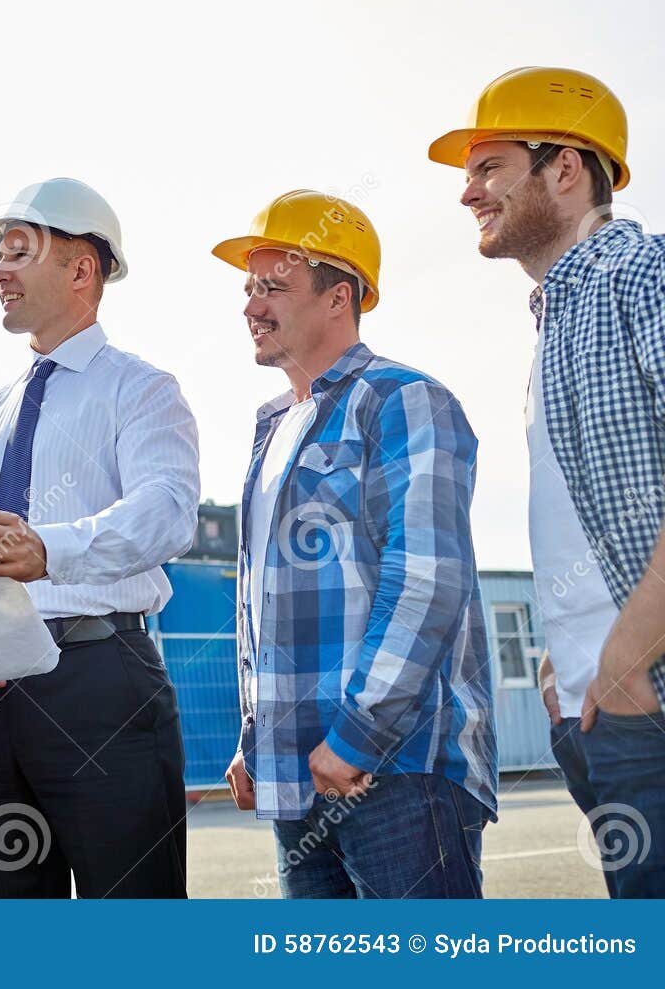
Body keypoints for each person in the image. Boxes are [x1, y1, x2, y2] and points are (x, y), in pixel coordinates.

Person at [211, 190, 497, 898]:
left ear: (340, 296)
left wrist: (358, 736)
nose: (251, 304)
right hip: (299, 778)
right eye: (249, 287)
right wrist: (257, 739)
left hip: (397, 774)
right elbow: (264, 605)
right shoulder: (272, 426)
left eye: (273, 285)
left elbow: (426, 579)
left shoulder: (402, 400)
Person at [431, 65, 665, 897]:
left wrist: (628, 651)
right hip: (597, 703)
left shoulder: (643, 275)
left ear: (565, 168)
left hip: (646, 694)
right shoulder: (558, 319)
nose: (468, 193)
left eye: (488, 167)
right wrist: (568, 665)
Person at [0, 177, 200, 898]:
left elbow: (169, 509)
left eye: (19, 251)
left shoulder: (142, 390)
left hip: (101, 684)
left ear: (81, 268)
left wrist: (50, 549)